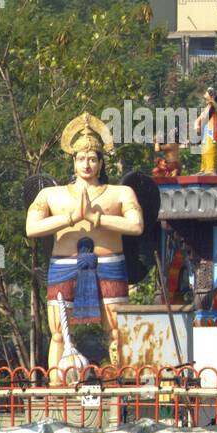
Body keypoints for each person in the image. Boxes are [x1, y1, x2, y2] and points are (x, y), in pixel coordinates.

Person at [26, 113, 145, 376]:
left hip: (109, 263)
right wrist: (71, 217)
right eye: (81, 158)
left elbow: (136, 226)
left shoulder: (120, 193)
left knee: (116, 329)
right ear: (73, 161)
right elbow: (31, 228)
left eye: (93, 158)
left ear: (101, 163)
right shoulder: (50, 195)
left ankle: (119, 387)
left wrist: (96, 218)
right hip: (64, 264)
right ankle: (58, 387)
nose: (87, 164)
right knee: (59, 332)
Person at [193, 87, 217, 174]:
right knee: (204, 151)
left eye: (206, 94)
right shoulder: (207, 108)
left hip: (212, 131)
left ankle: (211, 169)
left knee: (210, 149)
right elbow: (199, 118)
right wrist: (196, 125)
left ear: (211, 96)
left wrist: (212, 101)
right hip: (205, 132)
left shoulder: (216, 105)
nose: (204, 96)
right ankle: (203, 169)